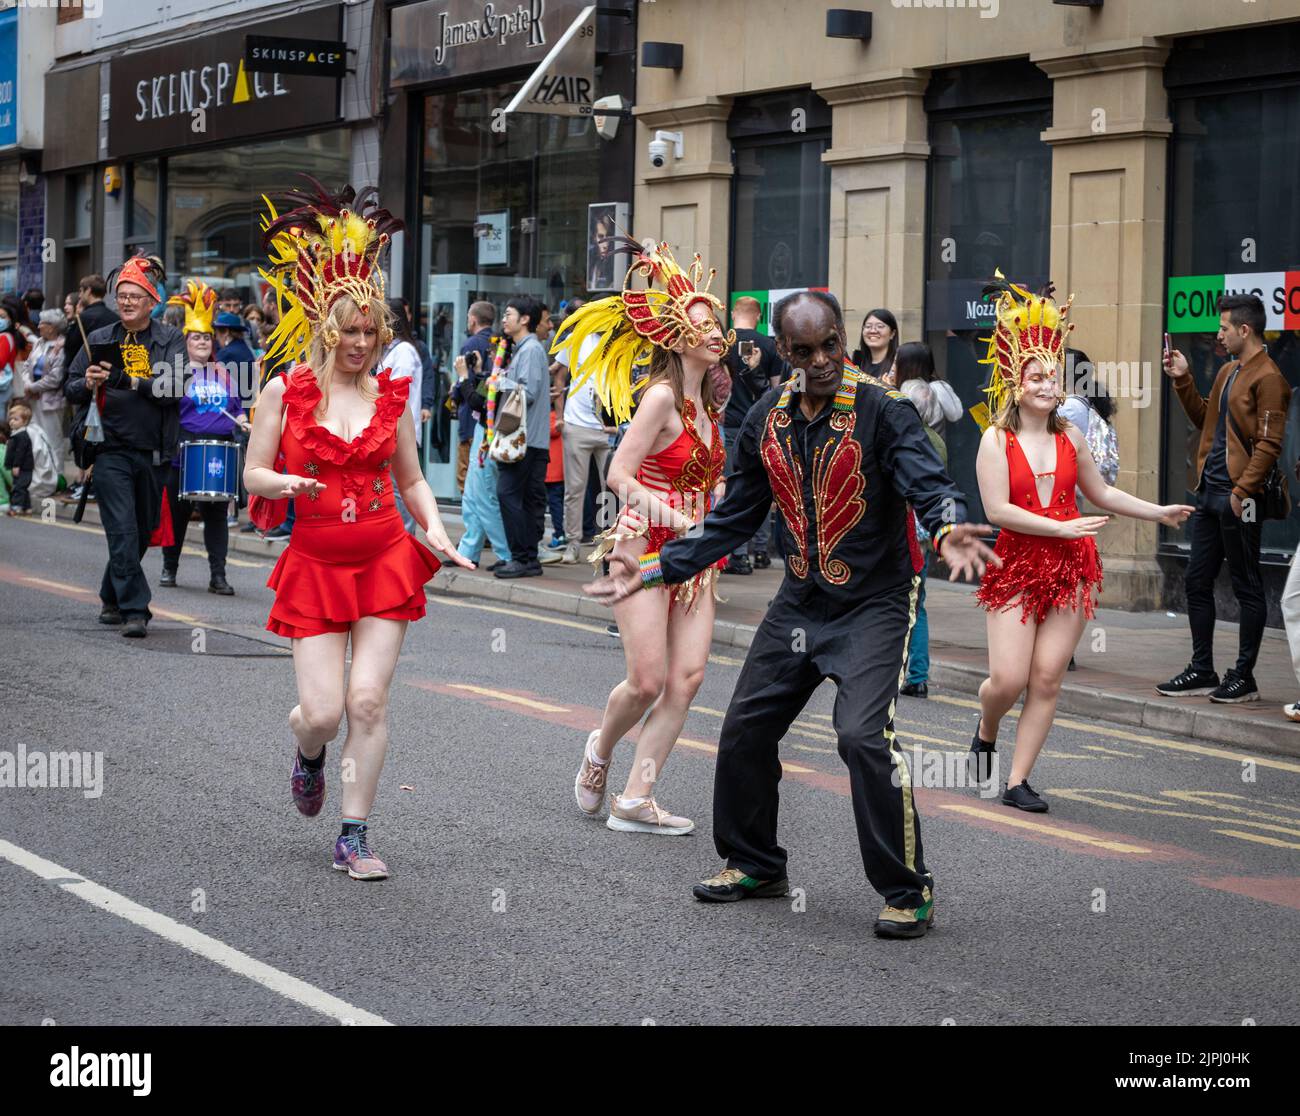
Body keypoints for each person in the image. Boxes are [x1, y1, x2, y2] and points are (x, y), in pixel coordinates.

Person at [586, 289, 1000, 938]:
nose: (823, 360)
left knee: (861, 736)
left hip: (876, 601)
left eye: (832, 344)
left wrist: (948, 527)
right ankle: (754, 862)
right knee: (746, 725)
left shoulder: (883, 410)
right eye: (805, 351)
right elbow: (731, 522)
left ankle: (906, 889)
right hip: (801, 602)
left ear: (842, 339)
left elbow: (930, 483)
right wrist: (654, 569)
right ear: (785, 351)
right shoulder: (766, 420)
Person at [245, 179, 472, 881]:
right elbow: (252, 474)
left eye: (371, 332)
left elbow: (410, 480)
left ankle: (354, 834)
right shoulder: (285, 390)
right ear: (325, 327)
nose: (361, 342)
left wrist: (434, 528)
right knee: (320, 711)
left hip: (381, 556)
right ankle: (308, 752)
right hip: (314, 561)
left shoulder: (390, 396)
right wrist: (286, 482)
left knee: (367, 701)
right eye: (350, 330)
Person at [971, 277, 1193, 812]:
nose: (1049, 385)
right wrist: (1060, 528)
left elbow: (1100, 492)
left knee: (1046, 678)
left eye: (1054, 376)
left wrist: (1157, 511)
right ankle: (986, 725)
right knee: (1008, 679)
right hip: (1017, 563)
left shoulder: (1071, 436)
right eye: (1037, 377)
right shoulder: (995, 440)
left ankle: (1018, 781)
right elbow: (997, 511)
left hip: (1071, 567)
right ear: (1014, 383)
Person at [561, 239, 732, 834]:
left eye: (717, 324)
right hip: (644, 550)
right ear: (674, 334)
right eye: (703, 324)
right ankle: (599, 752)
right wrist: (676, 516)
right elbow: (618, 474)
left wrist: (710, 522)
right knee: (647, 680)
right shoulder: (661, 396)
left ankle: (636, 797)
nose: (716, 333)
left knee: (688, 680)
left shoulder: (709, 403)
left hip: (698, 558)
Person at [1157, 293, 1291, 705]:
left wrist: (1240, 491)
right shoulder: (1229, 370)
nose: (1219, 334)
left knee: (1247, 585)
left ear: (1244, 330)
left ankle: (1244, 676)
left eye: (1224, 328)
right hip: (1209, 494)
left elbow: (1270, 445)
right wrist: (1182, 378)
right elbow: (1205, 420)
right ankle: (1202, 668)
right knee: (1197, 580)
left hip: (1239, 498)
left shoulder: (1270, 378)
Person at [63, 255, 184, 638]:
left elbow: (173, 390)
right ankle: (135, 609)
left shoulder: (169, 339)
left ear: (152, 302)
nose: (128, 302)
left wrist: (126, 380)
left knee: (143, 528)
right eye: (122, 295)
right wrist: (87, 383)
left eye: (136, 296)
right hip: (110, 449)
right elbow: (68, 388)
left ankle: (110, 595)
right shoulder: (99, 339)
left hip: (154, 451)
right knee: (121, 529)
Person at [159, 281, 247, 595]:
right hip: (182, 450)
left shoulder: (223, 373)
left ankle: (218, 576)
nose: (202, 342)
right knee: (178, 513)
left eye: (207, 337)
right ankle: (169, 568)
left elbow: (236, 408)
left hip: (219, 449)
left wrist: (242, 420)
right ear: (185, 340)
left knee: (216, 516)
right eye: (196, 336)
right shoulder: (175, 371)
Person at [889, 342, 954, 698]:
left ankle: (900, 672)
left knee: (897, 604)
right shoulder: (936, 442)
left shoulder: (903, 438)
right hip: (926, 531)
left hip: (903, 531)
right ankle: (918, 674)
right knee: (919, 602)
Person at [721, 296, 787, 574]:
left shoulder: (721, 342)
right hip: (761, 426)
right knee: (760, 486)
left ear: (734, 313)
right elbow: (776, 392)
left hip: (731, 426)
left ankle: (738, 554)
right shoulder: (770, 345)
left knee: (733, 487)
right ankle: (760, 551)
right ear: (759, 316)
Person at [493, 296, 552, 579]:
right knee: (526, 500)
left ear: (524, 319)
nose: (505, 320)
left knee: (508, 495)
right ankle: (527, 558)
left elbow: (526, 394)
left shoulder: (529, 350)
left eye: (509, 314)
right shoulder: (526, 349)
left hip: (524, 441)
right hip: (530, 440)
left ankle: (521, 557)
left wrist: (498, 382)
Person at [451, 301, 496, 491]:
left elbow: (465, 388)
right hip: (493, 419)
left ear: (473, 319)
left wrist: (457, 388)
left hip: (471, 418)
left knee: (467, 477)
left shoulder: (471, 344)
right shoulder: (499, 342)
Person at [19, 309, 68, 479]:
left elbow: (56, 377)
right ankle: (39, 475)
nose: (39, 326)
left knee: (53, 438)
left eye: (43, 323)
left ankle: (57, 476)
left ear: (53, 327)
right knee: (36, 438)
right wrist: (27, 383)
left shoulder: (61, 346)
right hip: (34, 399)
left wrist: (33, 387)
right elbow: (26, 366)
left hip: (51, 401)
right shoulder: (39, 342)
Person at [5, 400, 56, 515]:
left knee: (18, 486)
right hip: (48, 478)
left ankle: (16, 507)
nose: (11, 421)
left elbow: (23, 455)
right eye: (10, 418)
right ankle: (27, 508)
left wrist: (16, 465)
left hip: (37, 479)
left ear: (24, 419)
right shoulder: (36, 429)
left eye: (15, 418)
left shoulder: (25, 433)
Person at [63, 274, 117, 371]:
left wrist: (76, 318)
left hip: (86, 373)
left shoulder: (83, 318)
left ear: (88, 291)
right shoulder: (116, 318)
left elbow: (70, 346)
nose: (79, 295)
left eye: (81, 291)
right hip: (110, 372)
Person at [851, 307, 899, 381]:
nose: (873, 331)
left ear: (892, 333)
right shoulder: (856, 362)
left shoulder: (898, 364)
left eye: (880, 326)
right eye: (868, 326)